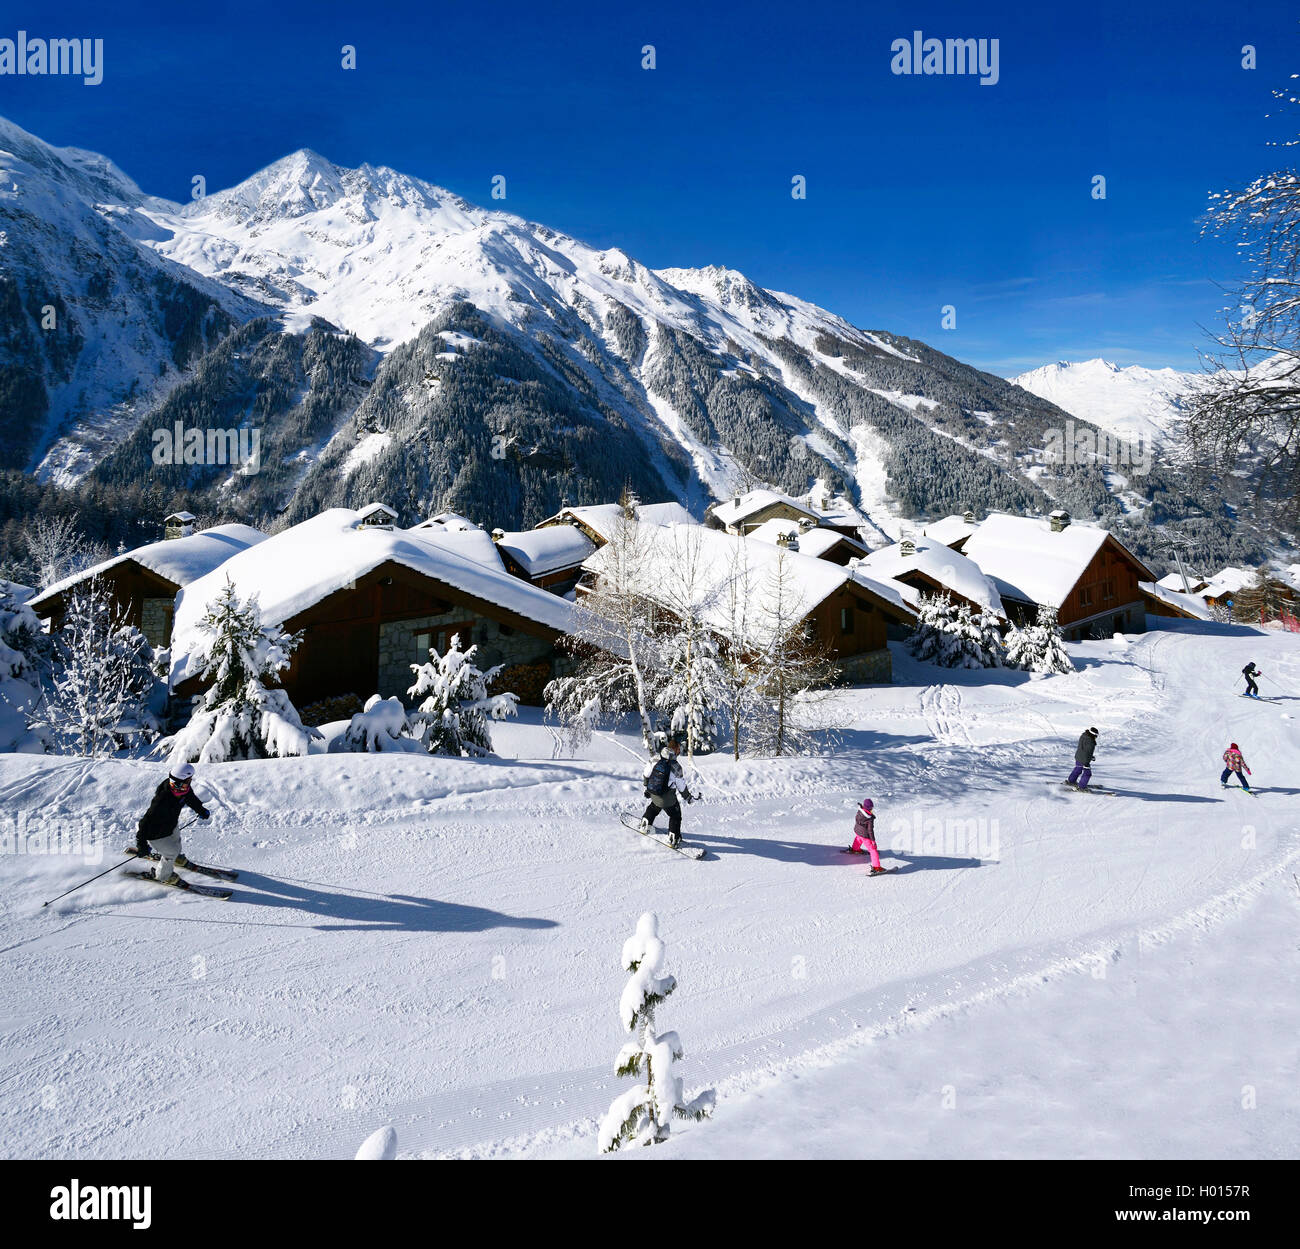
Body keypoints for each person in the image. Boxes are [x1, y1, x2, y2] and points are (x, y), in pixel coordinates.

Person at [134, 762, 210, 884]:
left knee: (177, 842)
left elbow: (190, 798)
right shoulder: (161, 801)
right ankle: (163, 876)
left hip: (170, 826)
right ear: (179, 782)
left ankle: (176, 858)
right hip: (156, 835)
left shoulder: (182, 790)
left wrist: (201, 810)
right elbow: (145, 822)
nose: (190, 782)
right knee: (171, 852)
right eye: (188, 780)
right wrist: (141, 843)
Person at [639, 735, 694, 848]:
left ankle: (645, 823)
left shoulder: (654, 759)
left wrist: (648, 788)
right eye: (678, 749)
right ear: (675, 750)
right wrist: (688, 797)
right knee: (675, 815)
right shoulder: (676, 767)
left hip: (654, 794)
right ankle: (673, 837)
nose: (680, 751)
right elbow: (681, 787)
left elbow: (646, 774)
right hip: (667, 800)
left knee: (654, 806)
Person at [846, 798, 888, 875]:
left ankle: (855, 849)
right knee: (873, 850)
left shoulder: (859, 811)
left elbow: (857, 819)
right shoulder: (869, 818)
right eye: (871, 808)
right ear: (869, 808)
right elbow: (870, 831)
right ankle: (877, 867)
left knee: (858, 838)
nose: (872, 809)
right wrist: (873, 841)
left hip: (857, 830)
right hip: (865, 835)